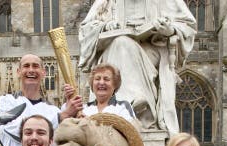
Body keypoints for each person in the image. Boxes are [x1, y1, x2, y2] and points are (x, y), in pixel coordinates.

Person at [78, 0, 196, 134]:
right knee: (121, 43)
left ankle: (122, 109)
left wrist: (170, 30)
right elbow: (85, 29)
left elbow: (188, 26)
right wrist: (105, 27)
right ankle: (131, 105)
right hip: (114, 47)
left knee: (122, 44)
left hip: (151, 49)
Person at [0, 54, 82, 146]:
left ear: (43, 72)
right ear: (18, 71)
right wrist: (61, 117)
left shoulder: (54, 110)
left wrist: (72, 114)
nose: (31, 70)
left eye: (35, 66)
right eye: (26, 66)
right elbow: (15, 131)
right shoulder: (5, 101)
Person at [61, 63, 136, 122]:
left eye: (106, 79)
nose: (101, 82)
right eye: (97, 79)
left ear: (115, 84)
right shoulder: (83, 109)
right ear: (92, 84)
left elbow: (129, 131)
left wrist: (90, 122)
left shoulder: (123, 106)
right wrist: (69, 102)